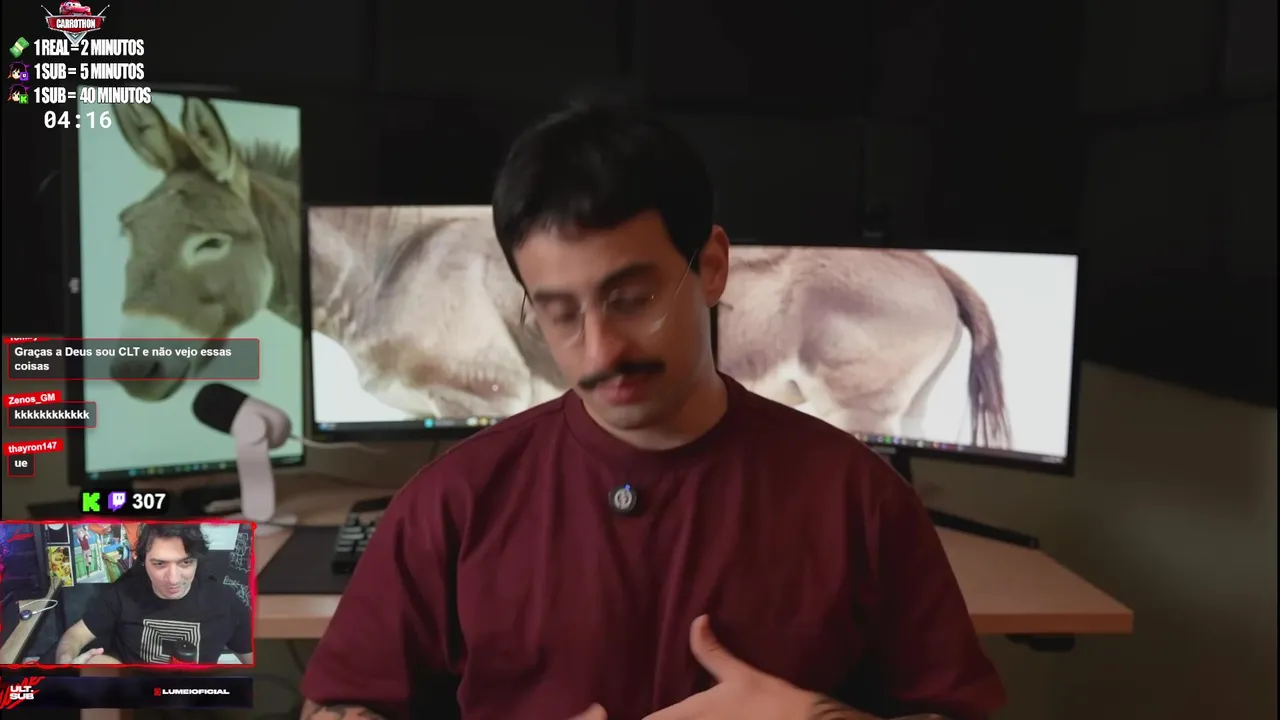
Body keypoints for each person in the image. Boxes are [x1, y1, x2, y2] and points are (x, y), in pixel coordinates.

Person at [300, 103, 1005, 720]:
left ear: (712, 267)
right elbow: (338, 705)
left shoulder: (862, 501)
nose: (600, 350)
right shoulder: (449, 504)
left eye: (632, 298)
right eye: (559, 313)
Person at [54, 523, 253, 665]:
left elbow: (254, 663)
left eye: (185, 562)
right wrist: (66, 661)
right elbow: (74, 636)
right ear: (143, 562)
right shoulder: (122, 593)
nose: (173, 579)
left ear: (197, 561)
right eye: (159, 564)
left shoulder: (226, 603)